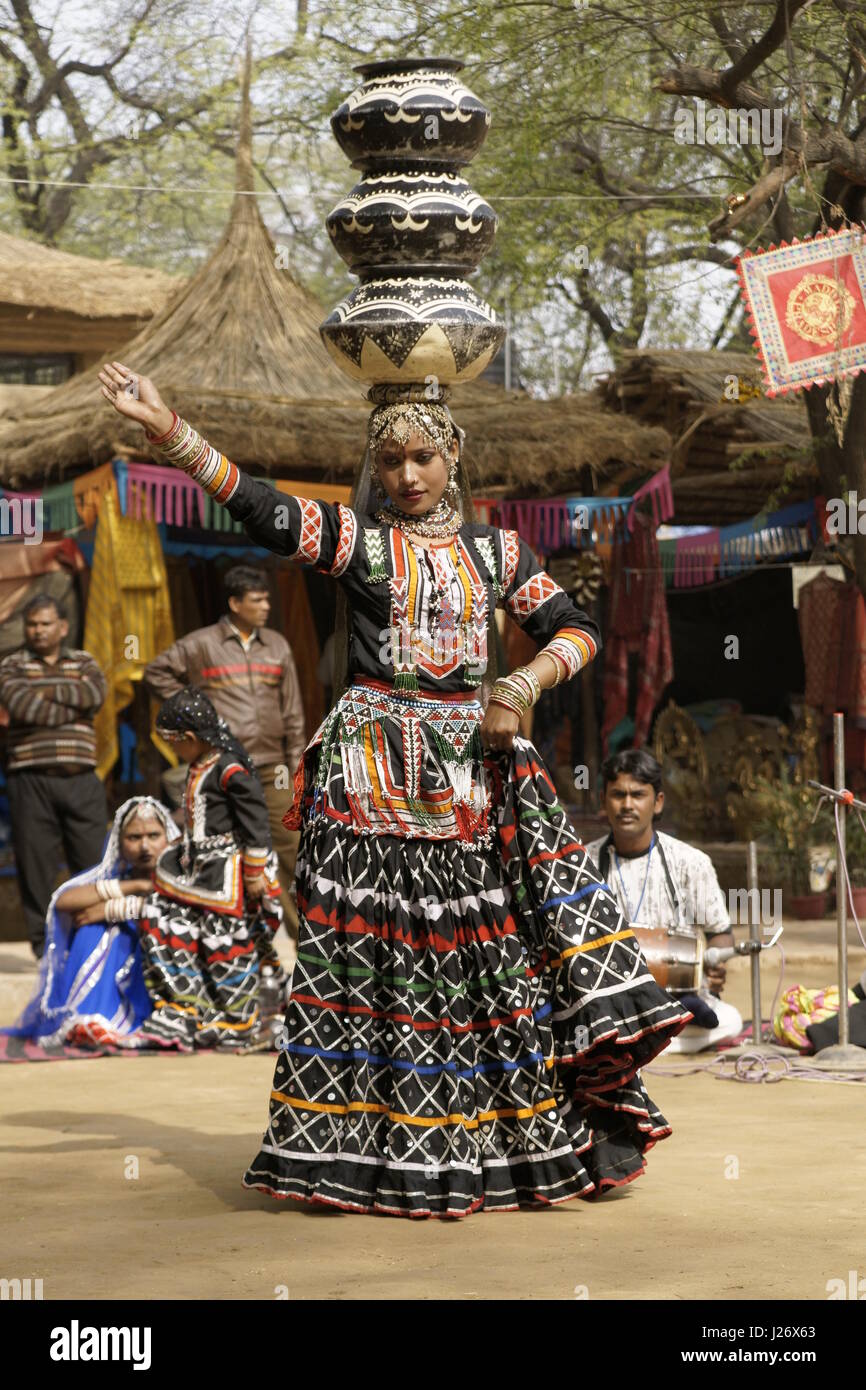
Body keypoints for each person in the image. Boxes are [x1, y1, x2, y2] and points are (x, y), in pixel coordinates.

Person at [100, 358, 690, 1219]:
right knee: (365, 960)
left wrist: (521, 686)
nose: (406, 477)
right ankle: (349, 1155)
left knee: (486, 959)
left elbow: (575, 627)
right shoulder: (361, 543)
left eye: (422, 458)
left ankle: (503, 1147)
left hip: (469, 776)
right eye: (390, 463)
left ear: (453, 456)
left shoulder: (497, 552)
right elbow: (263, 510)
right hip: (369, 770)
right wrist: (166, 429)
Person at [143, 565, 306, 939]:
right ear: (234, 603)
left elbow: (293, 712)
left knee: (292, 852)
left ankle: (304, 947)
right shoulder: (201, 644)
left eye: (267, 598)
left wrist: (296, 765)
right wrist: (200, 717)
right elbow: (156, 671)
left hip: (272, 767)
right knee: (225, 851)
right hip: (225, 765)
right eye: (257, 599)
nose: (266, 605)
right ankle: (237, 943)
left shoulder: (277, 645)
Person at [129, 688, 283, 1052]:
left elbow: (256, 820)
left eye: (173, 742)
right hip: (198, 870)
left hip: (229, 872)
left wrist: (254, 871)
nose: (172, 749)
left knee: (225, 944)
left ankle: (239, 1021)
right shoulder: (202, 764)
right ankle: (189, 1012)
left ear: (191, 739)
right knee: (166, 922)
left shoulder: (229, 768)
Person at [584, 747, 743, 1053]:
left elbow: (719, 933)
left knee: (730, 1019)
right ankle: (650, 1044)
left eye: (638, 795)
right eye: (618, 795)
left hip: (675, 996)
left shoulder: (691, 862)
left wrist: (714, 964)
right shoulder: (582, 864)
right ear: (603, 800)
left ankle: (634, 1047)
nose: (627, 805)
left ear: (657, 802)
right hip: (609, 997)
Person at [2, 797, 179, 1050]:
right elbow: (65, 901)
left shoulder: (182, 875)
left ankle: (131, 1017)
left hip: (167, 967)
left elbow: (183, 913)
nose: (145, 846)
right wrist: (135, 886)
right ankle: (89, 1012)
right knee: (91, 925)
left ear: (169, 837)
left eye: (153, 835)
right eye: (134, 837)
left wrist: (114, 908)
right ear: (119, 842)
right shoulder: (118, 877)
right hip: (122, 958)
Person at [0, 594, 108, 958]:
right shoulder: (12, 665)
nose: (38, 630)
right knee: (35, 865)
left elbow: (94, 693)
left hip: (82, 780)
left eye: (46, 623)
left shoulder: (84, 661)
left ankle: (92, 941)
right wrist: (71, 704)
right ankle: (43, 948)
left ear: (62, 627)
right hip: (30, 779)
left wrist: (43, 695)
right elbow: (20, 705)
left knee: (93, 862)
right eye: (32, 624)